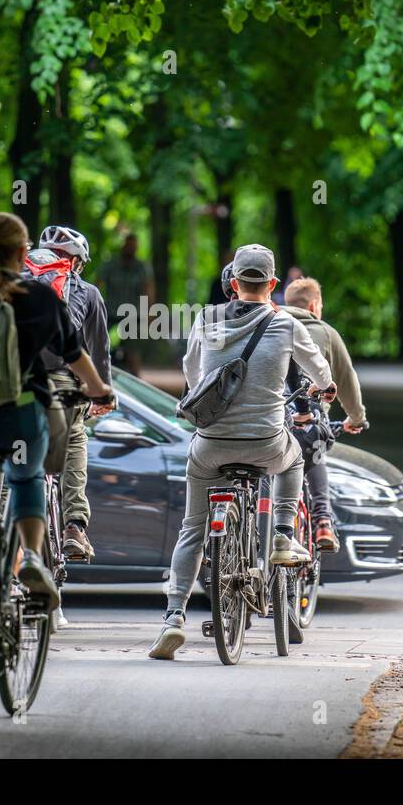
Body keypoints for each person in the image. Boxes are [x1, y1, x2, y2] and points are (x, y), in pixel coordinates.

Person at [0, 213, 112, 684]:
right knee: (27, 477)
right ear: (21, 253)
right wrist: (101, 393)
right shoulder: (37, 297)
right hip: (18, 417)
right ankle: (30, 557)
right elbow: (78, 358)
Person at [149, 244, 335, 661]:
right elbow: (320, 371)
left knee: (192, 529)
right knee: (296, 458)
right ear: (272, 285)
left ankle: (173, 617)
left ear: (233, 283)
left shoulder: (207, 318)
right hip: (267, 443)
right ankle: (284, 536)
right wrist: (324, 388)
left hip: (211, 444)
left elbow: (193, 374)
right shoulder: (285, 323)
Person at [33, 225, 114, 562]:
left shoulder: (13, 283)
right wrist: (102, 395)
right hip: (62, 389)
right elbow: (99, 352)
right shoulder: (87, 293)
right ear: (77, 263)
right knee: (75, 436)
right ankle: (74, 526)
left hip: (13, 383)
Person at [280, 277, 368, 553]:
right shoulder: (326, 333)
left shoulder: (268, 326)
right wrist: (356, 418)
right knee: (313, 449)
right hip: (306, 415)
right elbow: (347, 380)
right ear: (314, 305)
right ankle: (322, 521)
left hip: (268, 413)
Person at [98, 232, 153, 375]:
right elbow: (97, 285)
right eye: (128, 245)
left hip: (132, 316)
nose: (130, 249)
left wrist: (149, 313)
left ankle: (136, 381)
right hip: (110, 314)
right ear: (123, 246)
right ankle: (100, 375)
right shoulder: (111, 265)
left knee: (132, 351)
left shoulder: (142, 267)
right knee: (99, 344)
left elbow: (148, 290)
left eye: (133, 246)